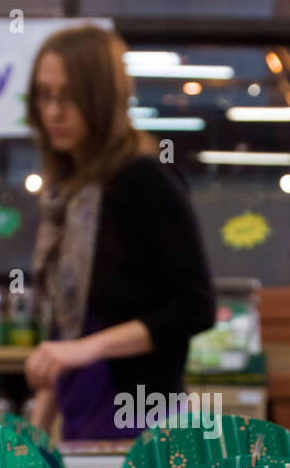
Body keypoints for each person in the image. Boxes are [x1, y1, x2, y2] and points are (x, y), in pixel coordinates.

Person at [24, 25, 216, 440]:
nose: (54, 112)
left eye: (70, 96)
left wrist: (86, 348)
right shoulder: (69, 198)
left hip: (141, 421)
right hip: (82, 422)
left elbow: (195, 307)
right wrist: (34, 437)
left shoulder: (144, 179)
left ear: (104, 99)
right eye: (45, 95)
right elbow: (68, 329)